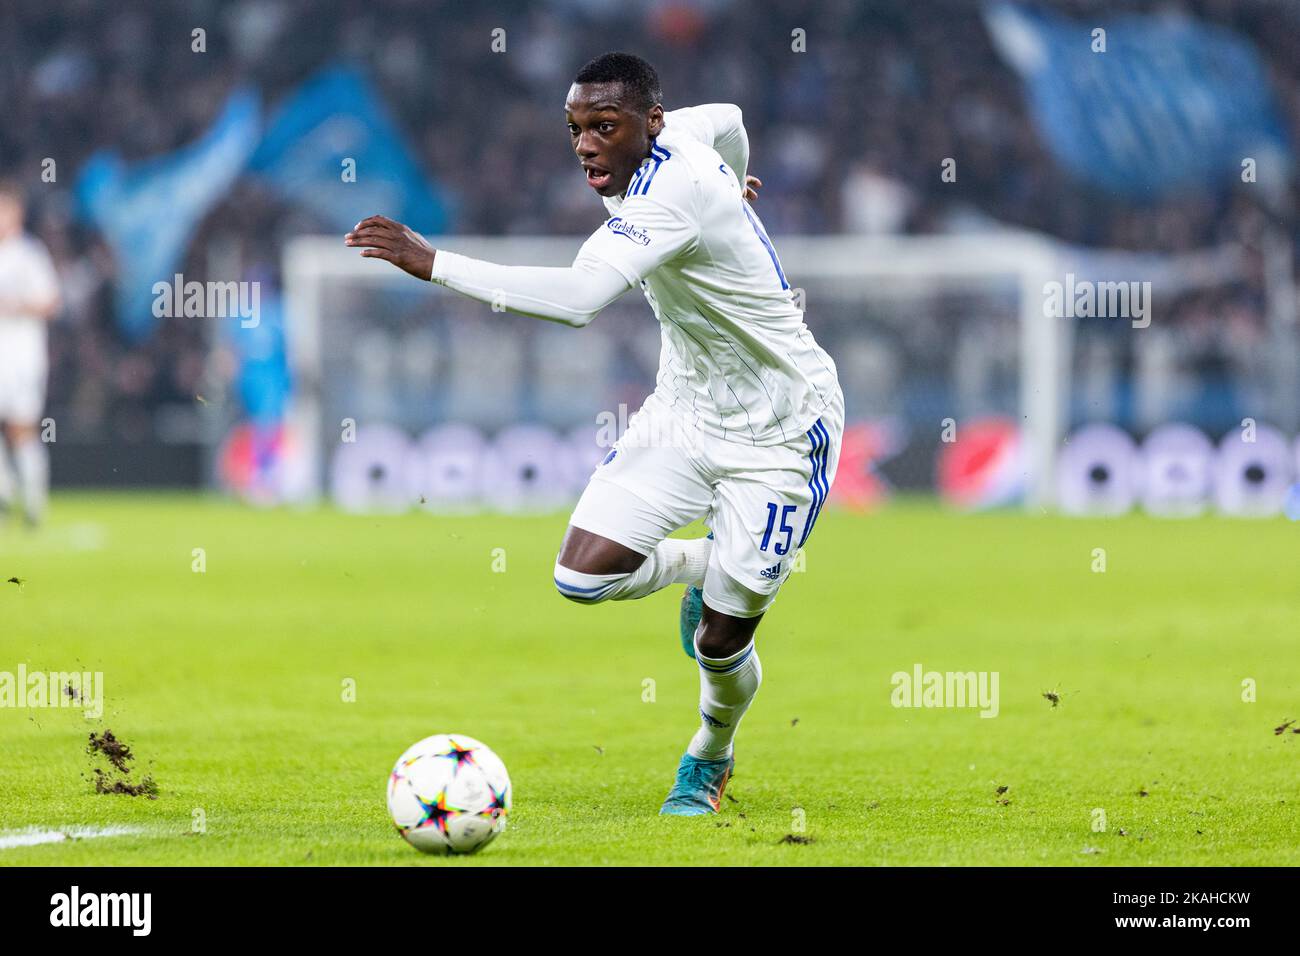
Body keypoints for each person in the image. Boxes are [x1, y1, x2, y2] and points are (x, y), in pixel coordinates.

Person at [345, 52, 843, 816]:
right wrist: (735, 193)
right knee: (580, 578)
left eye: (603, 128)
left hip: (782, 430)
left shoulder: (672, 192)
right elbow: (733, 123)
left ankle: (708, 758)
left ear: (649, 124)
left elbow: (580, 298)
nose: (585, 146)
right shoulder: (684, 135)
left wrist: (433, 261)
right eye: (575, 129)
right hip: (686, 408)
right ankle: (703, 563)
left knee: (720, 642)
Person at [0, 180, 61, 527]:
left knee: (21, 427)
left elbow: (52, 302)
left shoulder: (30, 255)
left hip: (21, 357)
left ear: (16, 214)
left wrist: (16, 304)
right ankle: (5, 494)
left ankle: (34, 503)